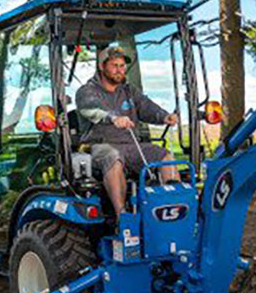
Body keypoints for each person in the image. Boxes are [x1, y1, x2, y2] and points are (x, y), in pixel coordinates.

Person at [75, 45, 179, 216]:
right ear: (102, 67)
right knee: (113, 157)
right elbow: (92, 110)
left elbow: (147, 107)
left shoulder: (129, 91)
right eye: (114, 65)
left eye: (122, 66)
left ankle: (172, 209)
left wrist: (164, 116)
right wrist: (113, 118)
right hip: (99, 146)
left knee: (163, 154)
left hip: (131, 145)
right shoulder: (87, 92)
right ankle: (122, 217)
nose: (119, 70)